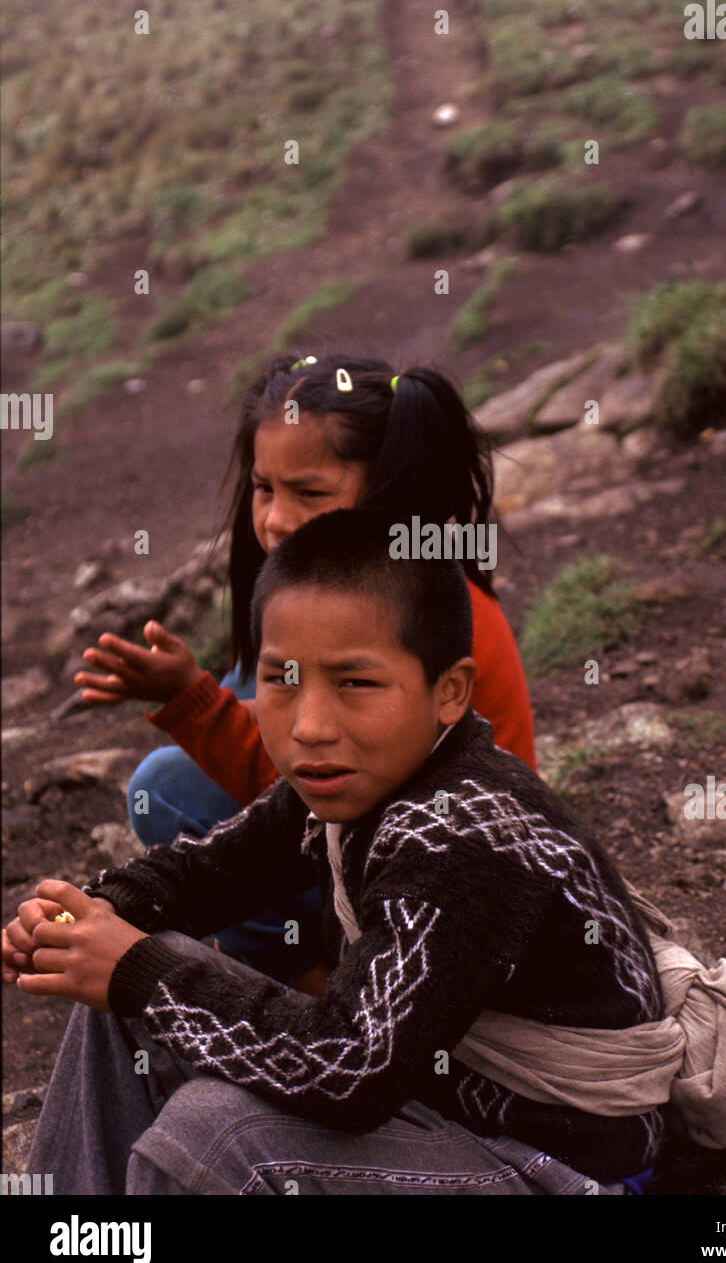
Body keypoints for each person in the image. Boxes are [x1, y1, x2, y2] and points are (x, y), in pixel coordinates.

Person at [7, 509, 663, 1196]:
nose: (312, 726)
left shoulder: (464, 836)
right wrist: (87, 915)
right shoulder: (359, 781)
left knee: (217, 1133)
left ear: (449, 691)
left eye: (355, 682)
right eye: (282, 680)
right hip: (435, 1106)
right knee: (128, 966)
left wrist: (138, 970)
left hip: (553, 1163)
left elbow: (351, 1069)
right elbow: (210, 871)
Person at [72, 353, 536, 992]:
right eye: (265, 488)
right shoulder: (364, 589)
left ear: (390, 486)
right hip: (380, 842)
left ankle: (308, 986)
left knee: (169, 785)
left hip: (442, 884)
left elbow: (318, 790)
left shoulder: (428, 616)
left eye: (310, 493)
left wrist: (192, 704)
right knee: (245, 685)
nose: (275, 520)